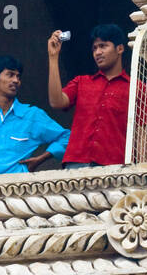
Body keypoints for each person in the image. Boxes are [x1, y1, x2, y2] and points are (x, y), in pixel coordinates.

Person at [0, 55, 69, 175]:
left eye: (18, 76)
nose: (16, 80)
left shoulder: (32, 116)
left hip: (20, 188)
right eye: (10, 75)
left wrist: (40, 159)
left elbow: (66, 137)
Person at [47, 24, 137, 169]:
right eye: (94, 48)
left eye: (103, 46)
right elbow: (56, 102)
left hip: (115, 167)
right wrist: (53, 57)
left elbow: (142, 134)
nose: (97, 52)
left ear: (119, 49)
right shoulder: (81, 82)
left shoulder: (135, 87)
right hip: (76, 164)